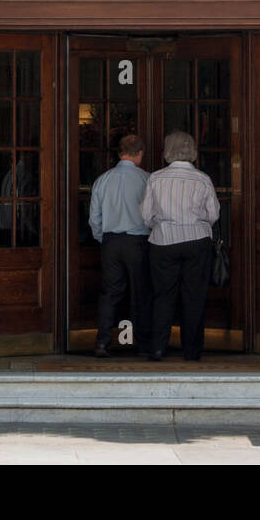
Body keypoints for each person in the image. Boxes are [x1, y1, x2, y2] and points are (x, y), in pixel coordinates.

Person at [141, 131, 220, 363]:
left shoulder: (155, 178)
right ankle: (192, 351)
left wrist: (160, 225)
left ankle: (158, 348)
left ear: (168, 150)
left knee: (163, 296)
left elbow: (145, 215)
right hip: (197, 241)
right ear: (192, 150)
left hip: (163, 241)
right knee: (194, 296)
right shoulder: (203, 179)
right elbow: (213, 214)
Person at [89, 133, 152, 359]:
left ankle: (102, 342)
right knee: (141, 292)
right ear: (140, 154)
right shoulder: (147, 179)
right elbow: (152, 215)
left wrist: (103, 238)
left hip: (111, 242)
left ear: (119, 153)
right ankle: (143, 343)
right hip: (138, 242)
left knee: (110, 293)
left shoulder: (103, 180)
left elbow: (94, 218)